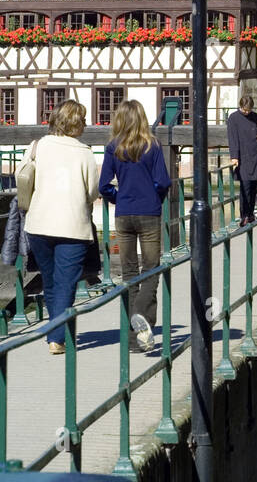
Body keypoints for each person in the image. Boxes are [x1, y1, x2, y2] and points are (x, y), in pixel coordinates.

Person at [21, 99, 100, 356]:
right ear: (77, 124)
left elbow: (22, 177)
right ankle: (56, 337)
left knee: (51, 281)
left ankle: (56, 333)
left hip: (39, 223)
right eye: (84, 120)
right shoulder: (85, 152)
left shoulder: (38, 146)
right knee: (66, 283)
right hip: (72, 226)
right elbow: (92, 191)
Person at [99, 99, 170, 353]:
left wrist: (119, 197)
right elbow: (163, 181)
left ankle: (133, 341)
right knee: (151, 269)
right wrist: (152, 196)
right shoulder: (152, 145)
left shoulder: (113, 147)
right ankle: (142, 318)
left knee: (129, 274)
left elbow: (103, 186)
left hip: (124, 214)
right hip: (149, 212)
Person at [227, 94, 257, 226]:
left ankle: (250, 214)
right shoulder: (233, 118)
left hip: (255, 155)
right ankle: (244, 215)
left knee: (254, 187)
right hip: (243, 156)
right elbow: (232, 138)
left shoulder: (255, 117)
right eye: (245, 110)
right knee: (245, 188)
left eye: (249, 110)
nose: (247, 112)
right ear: (241, 106)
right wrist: (234, 156)